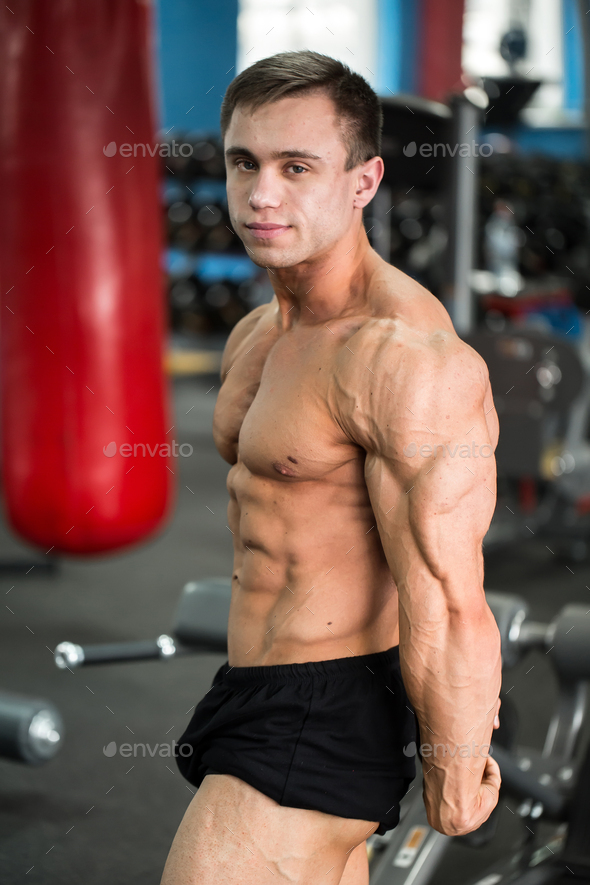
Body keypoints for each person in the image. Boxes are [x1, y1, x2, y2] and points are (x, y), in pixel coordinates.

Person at [161, 50, 502, 885]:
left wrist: (454, 779)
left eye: (296, 167)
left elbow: (452, 600)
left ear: (364, 180)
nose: (261, 193)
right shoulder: (256, 335)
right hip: (253, 682)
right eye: (245, 162)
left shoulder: (402, 359)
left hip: (328, 705)